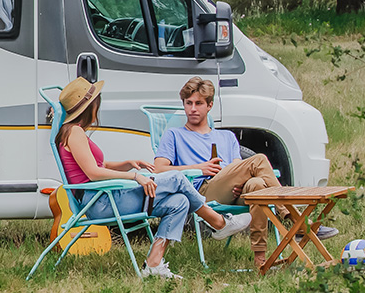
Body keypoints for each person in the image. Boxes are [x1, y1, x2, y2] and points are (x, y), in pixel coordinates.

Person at [56, 77, 250, 280]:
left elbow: (98, 166)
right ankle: (218, 222)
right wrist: (134, 176)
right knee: (176, 179)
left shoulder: (73, 132)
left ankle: (153, 264)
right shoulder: (75, 132)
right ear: (90, 106)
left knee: (179, 202)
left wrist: (127, 163)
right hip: (99, 202)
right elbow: (93, 174)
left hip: (104, 197)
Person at [152, 76, 337, 269]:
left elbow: (237, 167)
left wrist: (239, 183)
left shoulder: (226, 137)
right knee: (259, 160)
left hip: (233, 190)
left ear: (209, 105)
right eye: (188, 103)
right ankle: (297, 221)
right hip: (203, 193)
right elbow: (159, 169)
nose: (192, 108)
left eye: (198, 103)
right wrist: (199, 168)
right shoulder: (174, 135)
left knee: (256, 186)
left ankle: (261, 261)